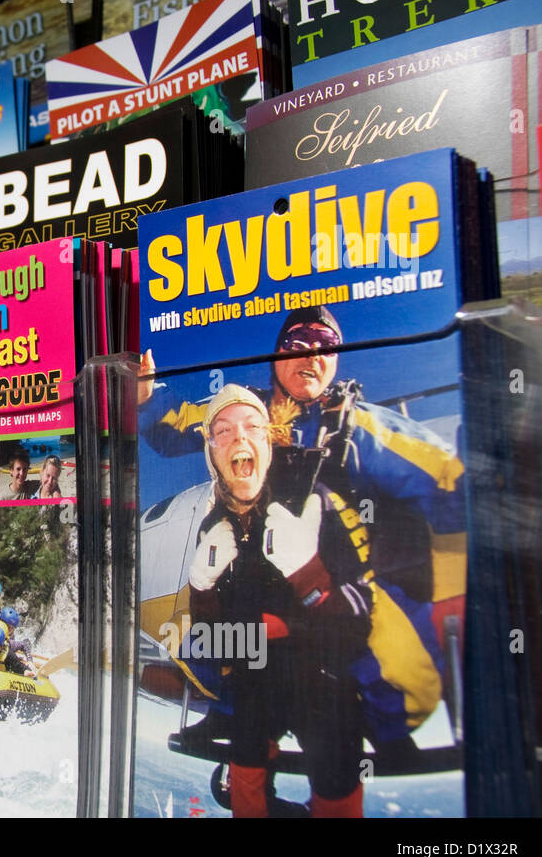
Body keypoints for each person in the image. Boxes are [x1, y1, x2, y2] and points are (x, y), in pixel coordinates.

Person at [138, 305, 467, 643]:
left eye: (326, 343)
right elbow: (176, 427)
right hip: (256, 606)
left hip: (338, 612)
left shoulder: (358, 429)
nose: (312, 353)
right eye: (298, 343)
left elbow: (446, 480)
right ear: (277, 355)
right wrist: (147, 397)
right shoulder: (244, 413)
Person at [183, 384, 413, 818]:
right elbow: (208, 640)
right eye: (223, 431)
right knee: (247, 758)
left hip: (323, 675)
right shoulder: (215, 527)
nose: (239, 439)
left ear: (270, 440)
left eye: (252, 426)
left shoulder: (316, 501)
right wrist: (202, 587)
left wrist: (308, 572)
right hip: (256, 680)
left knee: (336, 762)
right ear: (212, 451)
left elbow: (361, 619)